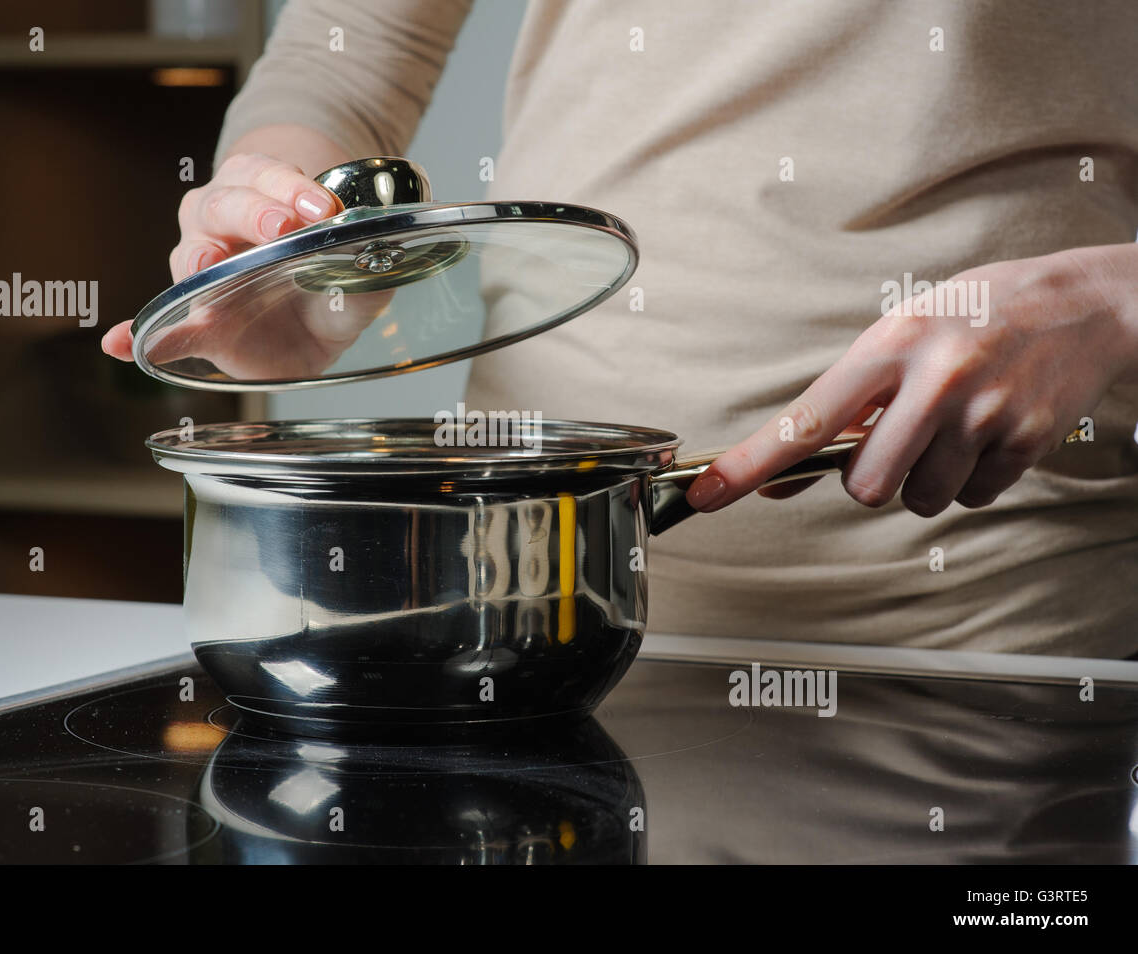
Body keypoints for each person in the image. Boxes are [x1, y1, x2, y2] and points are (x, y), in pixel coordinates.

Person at [103, 0, 1138, 657]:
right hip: (542, 596)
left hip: (998, 613)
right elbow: (360, 34)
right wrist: (275, 218)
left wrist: (1112, 297)